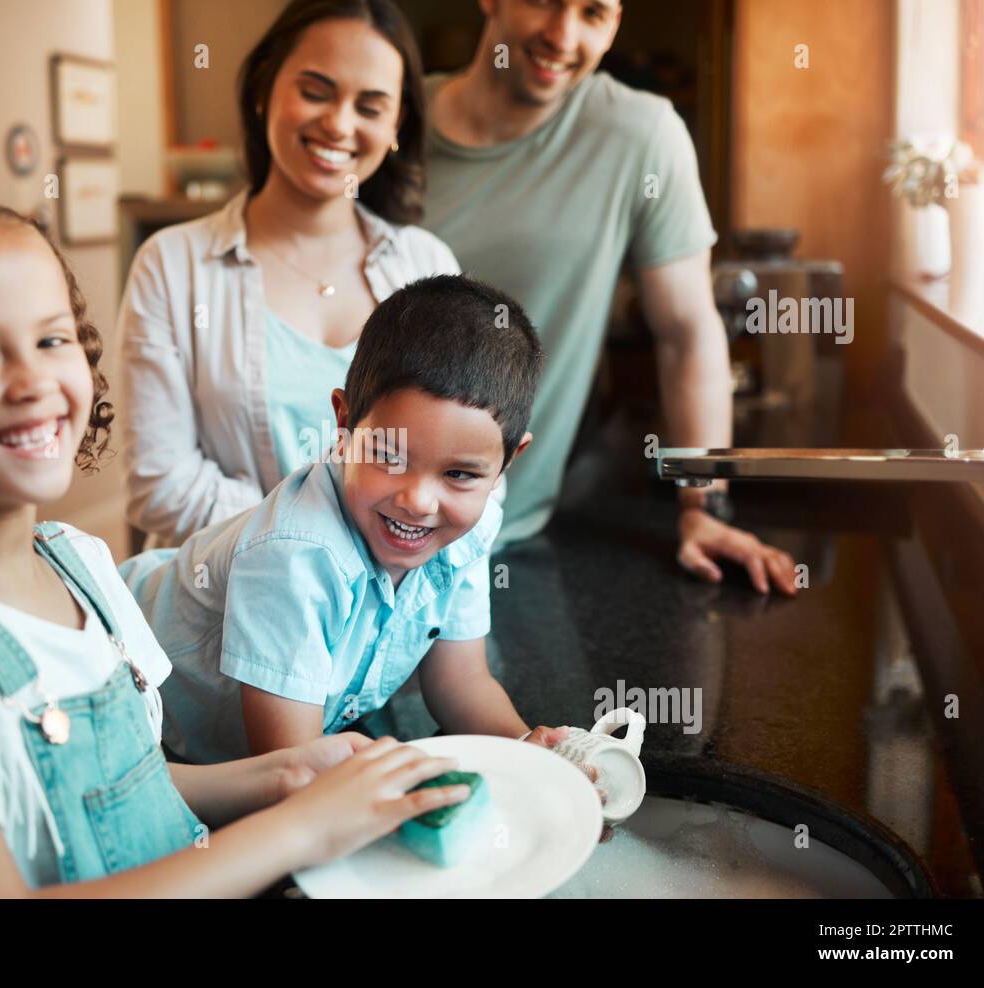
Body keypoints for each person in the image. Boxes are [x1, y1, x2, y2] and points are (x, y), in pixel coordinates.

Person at [0, 196, 471, 897]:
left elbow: (127, 786)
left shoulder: (79, 563)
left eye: (52, 339)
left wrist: (283, 777)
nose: (34, 380)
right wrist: (294, 831)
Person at [122, 275, 581, 767]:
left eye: (459, 474)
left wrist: (530, 757)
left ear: (508, 462)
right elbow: (290, 770)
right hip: (131, 711)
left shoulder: (469, 530)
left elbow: (461, 681)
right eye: (389, 456)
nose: (419, 501)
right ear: (343, 423)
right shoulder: (295, 557)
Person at [423, 0, 798, 595]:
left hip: (498, 545)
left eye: (593, 12)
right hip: (341, 514)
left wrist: (703, 506)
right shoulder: (386, 116)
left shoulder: (640, 135)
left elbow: (687, 331)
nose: (562, 35)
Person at [119, 0, 458, 549]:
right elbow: (158, 487)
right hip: (217, 610)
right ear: (263, 91)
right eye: (316, 91)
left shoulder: (428, 266)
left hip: (392, 619)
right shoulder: (172, 263)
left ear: (396, 126)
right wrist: (352, 531)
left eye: (370, 106)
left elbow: (473, 470)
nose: (339, 123)